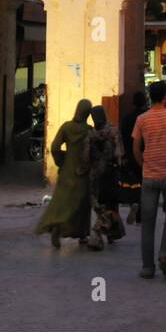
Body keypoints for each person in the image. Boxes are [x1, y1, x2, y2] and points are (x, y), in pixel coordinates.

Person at [133, 80, 166, 278]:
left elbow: (136, 148)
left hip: (149, 176)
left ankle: (147, 267)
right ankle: (165, 253)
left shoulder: (142, 119)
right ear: (165, 97)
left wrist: (144, 165)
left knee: (148, 222)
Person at [35, 99, 94, 247]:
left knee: (63, 201)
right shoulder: (89, 130)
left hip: (67, 169)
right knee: (81, 203)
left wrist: (62, 160)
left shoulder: (66, 128)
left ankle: (57, 227)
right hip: (83, 171)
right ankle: (82, 234)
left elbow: (55, 147)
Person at [84, 106, 126, 250]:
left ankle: (102, 233)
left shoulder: (90, 134)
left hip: (95, 174)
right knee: (112, 204)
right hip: (110, 172)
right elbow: (119, 153)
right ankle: (108, 234)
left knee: (98, 204)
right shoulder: (113, 131)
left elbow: (85, 156)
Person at [118, 90, 146, 224]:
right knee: (144, 185)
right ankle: (141, 213)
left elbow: (122, 137)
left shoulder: (127, 118)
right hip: (145, 155)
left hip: (130, 156)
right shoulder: (146, 117)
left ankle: (134, 202)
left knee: (133, 184)